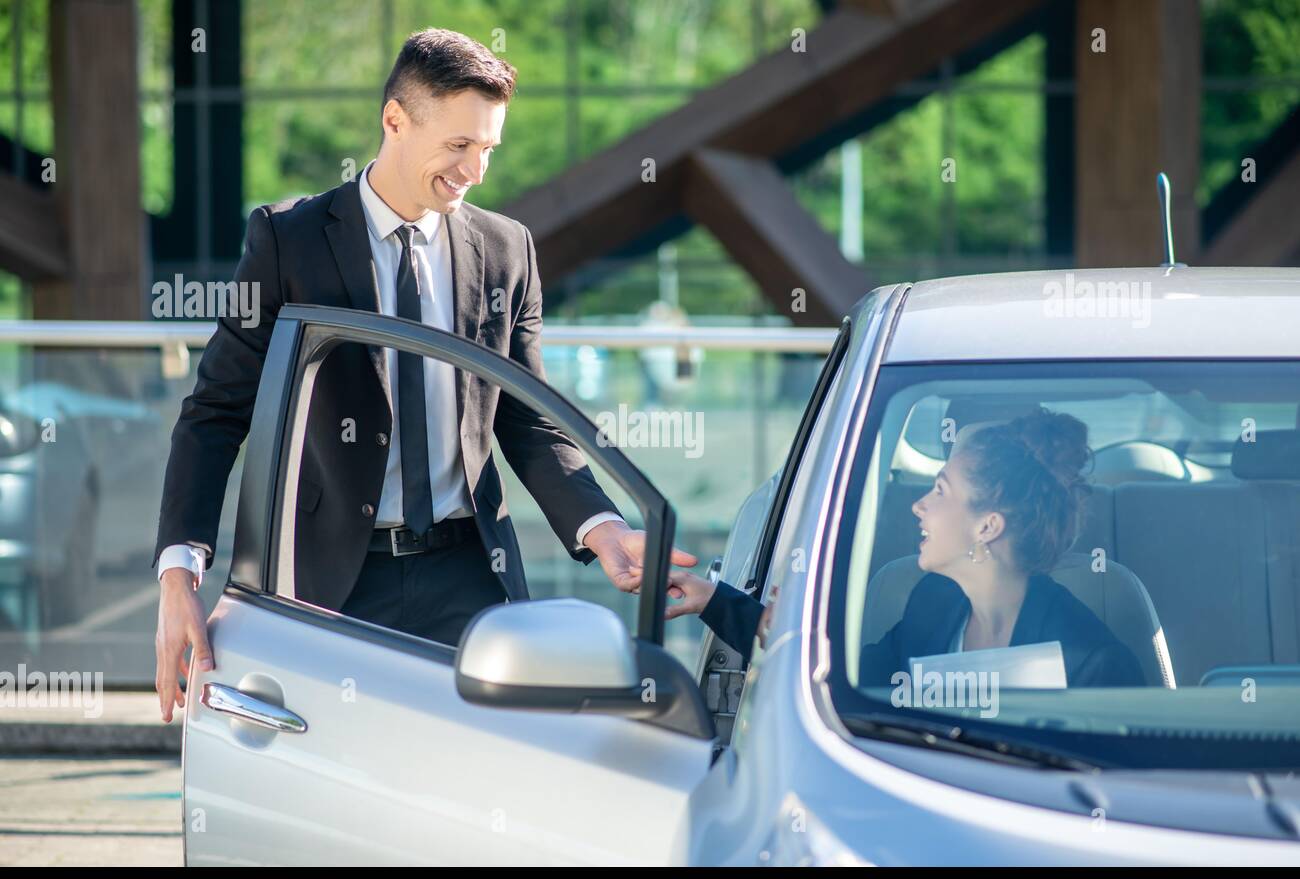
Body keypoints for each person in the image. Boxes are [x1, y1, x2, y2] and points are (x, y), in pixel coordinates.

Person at [153, 28, 696, 722]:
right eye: (460, 146)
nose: (475, 171)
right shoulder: (289, 242)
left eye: (488, 149)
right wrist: (178, 576)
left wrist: (601, 528)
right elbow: (215, 413)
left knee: (485, 786)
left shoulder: (506, 251)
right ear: (395, 121)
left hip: (467, 574)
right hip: (330, 582)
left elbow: (526, 418)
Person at [668, 408, 1145, 688]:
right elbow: (841, 677)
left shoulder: (1092, 663)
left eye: (940, 492)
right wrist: (712, 599)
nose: (918, 506)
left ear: (988, 526)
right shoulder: (933, 606)